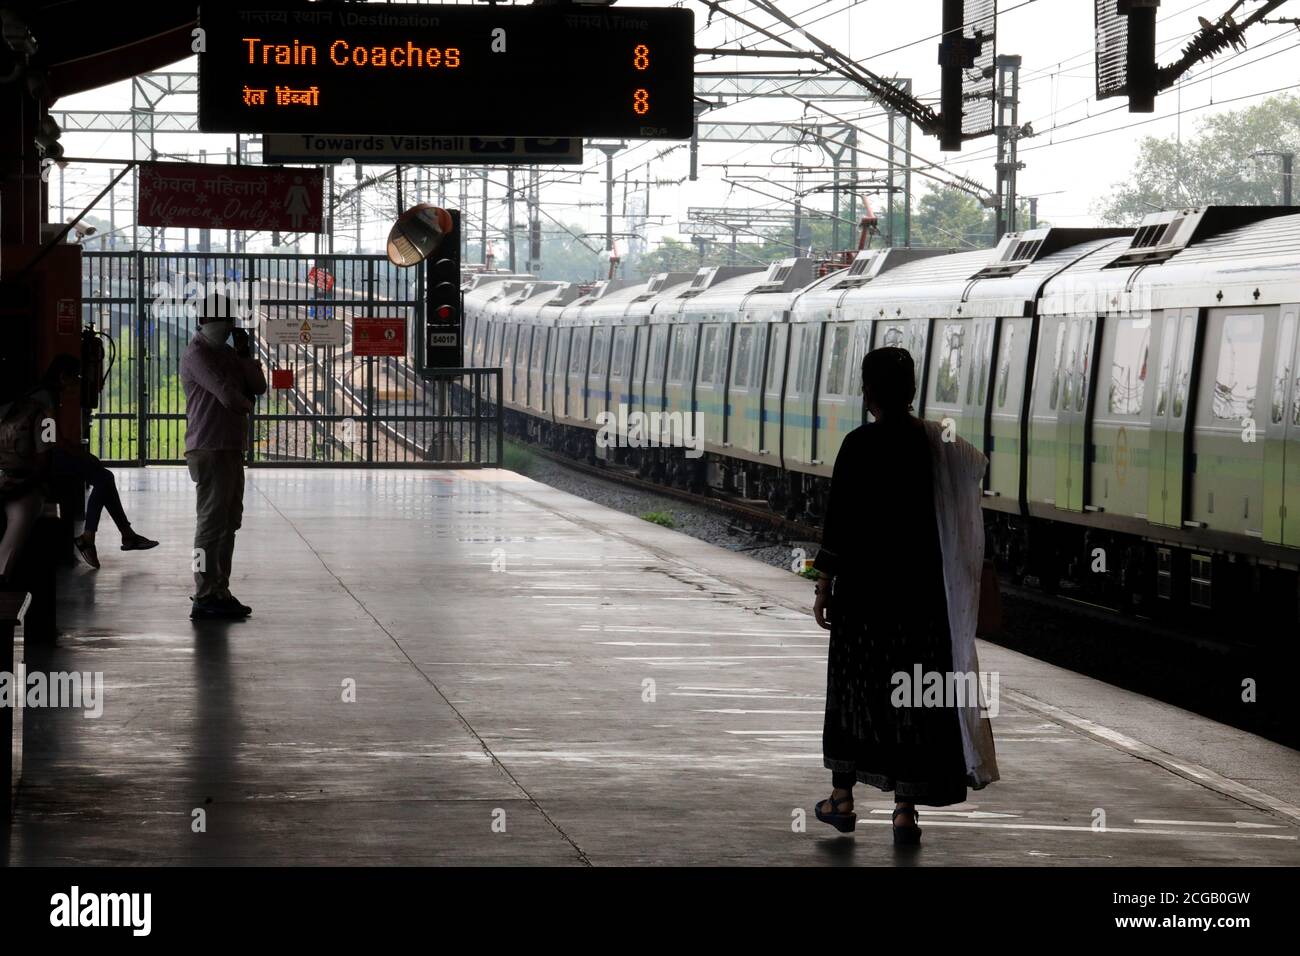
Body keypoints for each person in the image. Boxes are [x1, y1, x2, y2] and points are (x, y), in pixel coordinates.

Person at [811, 347, 999, 845]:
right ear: (912, 390)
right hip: (921, 601)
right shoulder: (938, 446)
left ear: (868, 392)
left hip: (865, 601)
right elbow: (974, 475)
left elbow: (840, 523)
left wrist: (825, 583)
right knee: (911, 699)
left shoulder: (858, 445)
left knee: (855, 693)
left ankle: (843, 799)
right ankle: (904, 812)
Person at [180, 292, 266, 620]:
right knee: (210, 524)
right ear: (203, 322)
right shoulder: (197, 355)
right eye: (220, 321)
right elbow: (230, 396)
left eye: (228, 322)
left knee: (230, 521)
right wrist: (246, 401)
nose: (225, 327)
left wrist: (245, 356)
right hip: (208, 447)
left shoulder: (230, 354)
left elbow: (256, 387)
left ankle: (220, 589)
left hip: (230, 446)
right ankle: (203, 593)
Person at [31, 355, 159, 569]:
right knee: (104, 477)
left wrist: (80, 454)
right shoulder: (46, 397)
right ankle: (100, 538)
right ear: (63, 377)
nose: (79, 381)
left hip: (41, 457)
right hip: (41, 460)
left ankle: (119, 536)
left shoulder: (42, 394)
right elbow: (54, 441)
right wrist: (83, 455)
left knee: (103, 477)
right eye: (76, 376)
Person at [0, 379, 52, 587]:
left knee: (18, 523)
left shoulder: (40, 414)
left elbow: (45, 461)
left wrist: (20, 484)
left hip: (24, 486)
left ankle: (2, 574)